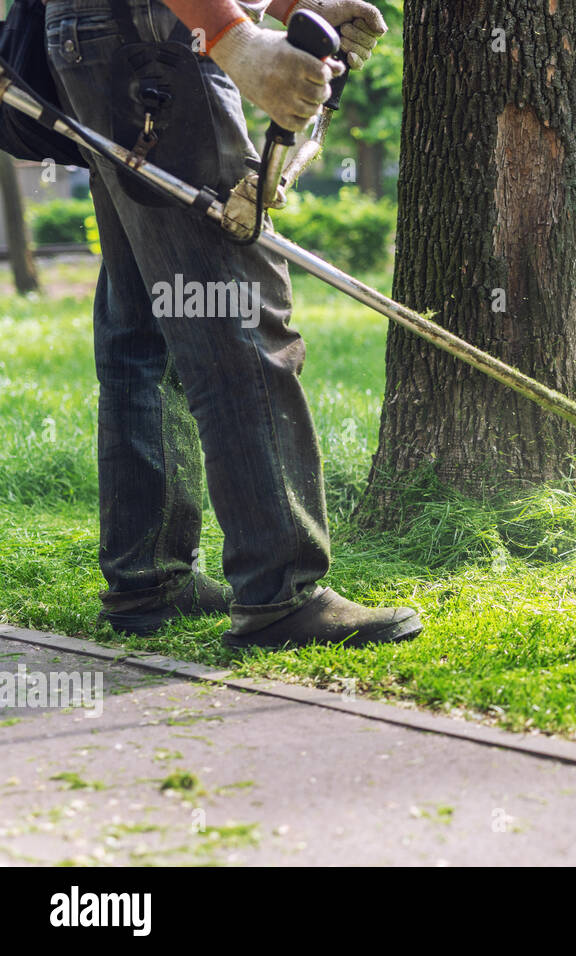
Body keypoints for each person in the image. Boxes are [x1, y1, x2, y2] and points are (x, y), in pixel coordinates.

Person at [44, 0, 422, 649]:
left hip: (98, 31)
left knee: (149, 318)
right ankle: (281, 593)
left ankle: (149, 578)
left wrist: (287, 7)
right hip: (153, 34)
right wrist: (233, 35)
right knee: (233, 306)